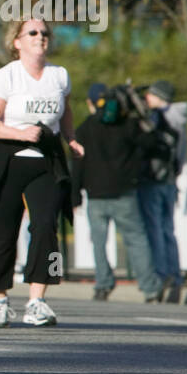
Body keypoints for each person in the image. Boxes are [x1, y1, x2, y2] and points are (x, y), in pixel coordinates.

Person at [0, 18, 83, 328]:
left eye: (44, 33)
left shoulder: (59, 75)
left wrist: (71, 138)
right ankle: (0, 300)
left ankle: (37, 301)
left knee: (46, 225)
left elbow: (67, 110)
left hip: (47, 159)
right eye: (32, 33)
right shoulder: (6, 76)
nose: (40, 37)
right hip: (8, 157)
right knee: (4, 231)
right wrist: (20, 134)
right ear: (17, 42)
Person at [71, 83, 163, 303]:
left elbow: (77, 164)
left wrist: (74, 195)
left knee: (99, 242)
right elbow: (152, 144)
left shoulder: (85, 128)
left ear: (90, 103)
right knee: (136, 240)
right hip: (124, 192)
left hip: (95, 194)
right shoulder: (128, 125)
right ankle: (149, 288)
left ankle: (103, 285)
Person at [138, 80, 186, 292]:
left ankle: (160, 274)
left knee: (154, 228)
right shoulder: (180, 118)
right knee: (168, 229)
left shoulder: (158, 118)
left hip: (153, 179)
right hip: (170, 180)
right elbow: (181, 154)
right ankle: (175, 274)